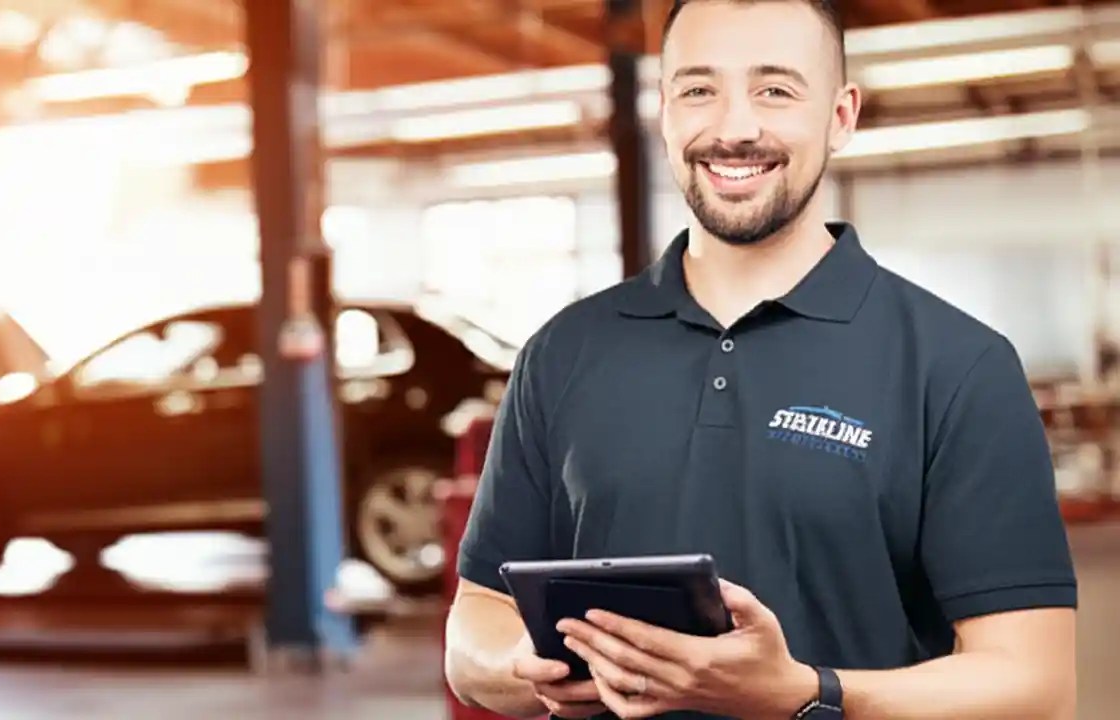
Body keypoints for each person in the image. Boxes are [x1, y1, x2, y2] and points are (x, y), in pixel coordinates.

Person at [442, 0, 1079, 718]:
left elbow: (1038, 685)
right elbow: (475, 627)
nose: (735, 127)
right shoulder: (562, 354)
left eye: (775, 89)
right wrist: (531, 668)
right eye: (698, 90)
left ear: (841, 117)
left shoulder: (958, 366)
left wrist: (807, 694)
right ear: (664, 112)